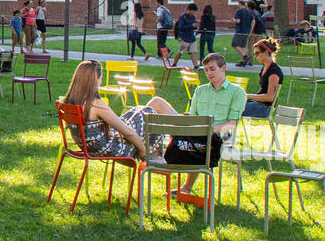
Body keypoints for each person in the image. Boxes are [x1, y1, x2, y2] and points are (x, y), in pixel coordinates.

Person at [61, 58, 179, 160]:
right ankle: (185, 131)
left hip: (94, 147)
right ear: (95, 79)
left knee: (153, 103)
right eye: (100, 77)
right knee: (151, 109)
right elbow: (127, 132)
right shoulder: (95, 104)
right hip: (114, 148)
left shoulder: (69, 102)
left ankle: (184, 129)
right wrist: (143, 149)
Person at [174, 53, 247, 195]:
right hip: (196, 132)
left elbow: (232, 123)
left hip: (220, 136)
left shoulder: (237, 92)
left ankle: (186, 188)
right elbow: (192, 115)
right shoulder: (200, 90)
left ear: (223, 68)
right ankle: (181, 184)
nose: (208, 73)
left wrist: (208, 130)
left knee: (199, 141)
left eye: (212, 69)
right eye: (206, 70)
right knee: (157, 103)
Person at [246, 37, 284, 118]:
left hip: (265, 108)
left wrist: (248, 96)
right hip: (258, 103)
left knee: (234, 109)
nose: (255, 56)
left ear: (266, 52)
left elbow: (270, 97)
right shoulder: (265, 67)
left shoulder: (274, 71)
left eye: (257, 53)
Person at [231, 0, 254, 66]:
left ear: (240, 4)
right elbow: (252, 20)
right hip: (246, 31)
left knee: (234, 44)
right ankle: (243, 62)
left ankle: (245, 56)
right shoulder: (248, 12)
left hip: (240, 30)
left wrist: (233, 20)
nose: (237, 4)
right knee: (242, 46)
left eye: (238, 3)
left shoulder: (239, 11)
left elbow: (238, 21)